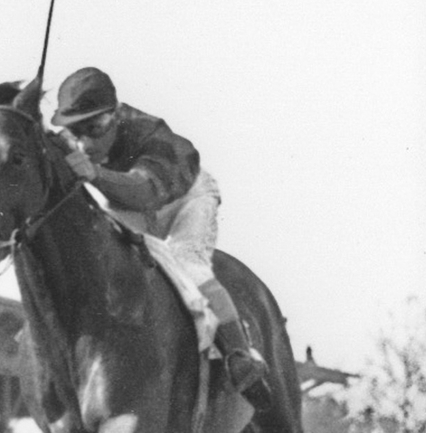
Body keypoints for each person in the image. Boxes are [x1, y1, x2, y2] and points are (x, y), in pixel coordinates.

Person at [50, 67, 267, 394]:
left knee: (186, 263)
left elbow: (144, 192)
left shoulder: (151, 134)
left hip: (184, 197)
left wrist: (95, 174)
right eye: (74, 131)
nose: (85, 143)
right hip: (129, 199)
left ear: (115, 115)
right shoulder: (76, 143)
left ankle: (239, 353)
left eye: (94, 129)